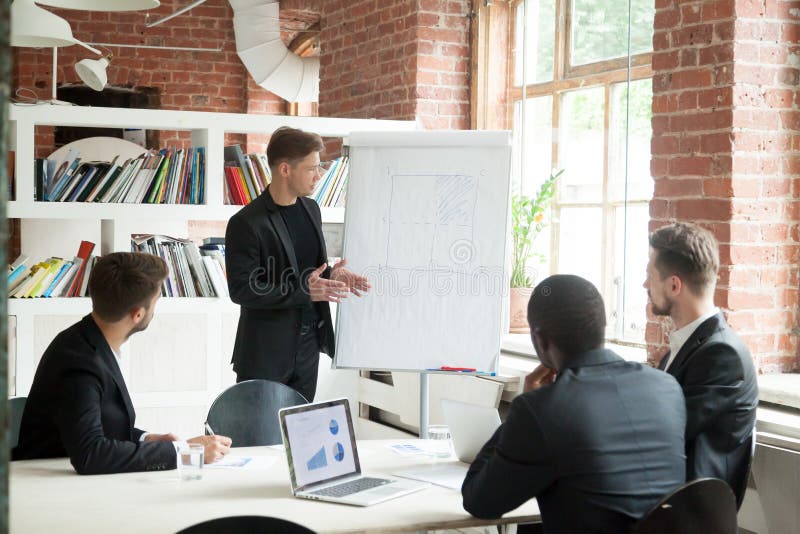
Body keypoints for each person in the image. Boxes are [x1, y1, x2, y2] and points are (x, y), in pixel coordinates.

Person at [462, 275, 686, 532]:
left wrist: (525, 405)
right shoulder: (667, 388)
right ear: (602, 326)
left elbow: (478, 500)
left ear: (539, 340)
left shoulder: (543, 410)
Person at [12, 252, 232, 475]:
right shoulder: (79, 362)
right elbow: (90, 454)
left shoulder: (88, 339)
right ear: (137, 314)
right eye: (155, 302)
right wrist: (185, 451)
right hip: (42, 486)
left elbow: (95, 425)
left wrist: (147, 439)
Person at [225, 126, 369, 401]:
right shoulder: (246, 223)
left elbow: (313, 270)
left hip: (309, 348)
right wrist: (305, 291)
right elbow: (242, 289)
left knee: (300, 435)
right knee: (262, 440)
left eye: (319, 167)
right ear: (285, 170)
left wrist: (335, 274)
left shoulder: (311, 209)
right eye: (311, 168)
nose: (319, 175)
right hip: (265, 353)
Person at [645, 222, 758, 503]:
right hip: (664, 502)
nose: (644, 284)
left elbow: (664, 433)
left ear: (674, 285)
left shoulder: (722, 354)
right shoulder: (690, 345)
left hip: (689, 515)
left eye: (650, 275)